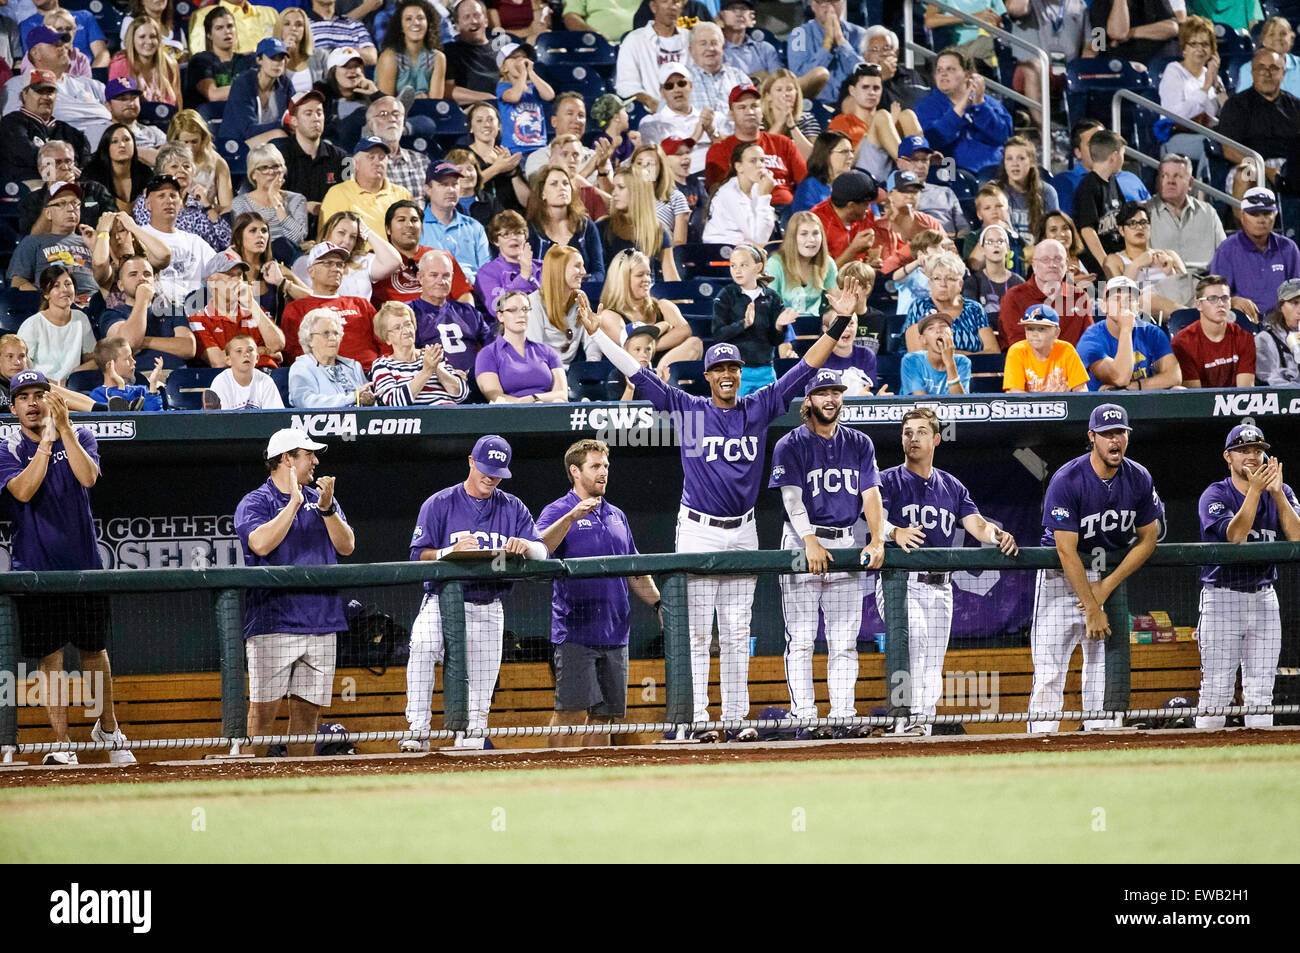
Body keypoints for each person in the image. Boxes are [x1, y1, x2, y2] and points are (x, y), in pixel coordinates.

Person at [578, 282, 862, 741]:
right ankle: (696, 721)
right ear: (708, 376)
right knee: (694, 634)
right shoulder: (687, 408)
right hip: (698, 531)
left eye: (733, 366)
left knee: (735, 632)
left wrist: (844, 322)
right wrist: (598, 335)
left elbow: (808, 365)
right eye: (720, 368)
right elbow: (637, 371)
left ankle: (733, 720)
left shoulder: (760, 405)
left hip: (743, 531)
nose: (728, 373)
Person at [0, 371, 134, 765]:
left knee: (94, 652)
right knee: (51, 658)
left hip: (83, 567)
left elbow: (88, 477)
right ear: (12, 408)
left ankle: (108, 728)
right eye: (22, 397)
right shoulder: (7, 447)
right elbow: (22, 491)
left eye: (39, 394)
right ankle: (63, 744)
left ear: (52, 399)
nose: (31, 403)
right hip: (36, 568)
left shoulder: (83, 436)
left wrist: (64, 429)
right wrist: (44, 442)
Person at [878, 406, 1018, 735]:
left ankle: (921, 726)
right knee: (918, 640)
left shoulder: (952, 486)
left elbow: (977, 524)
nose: (913, 438)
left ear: (936, 439)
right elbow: (874, 520)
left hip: (941, 588)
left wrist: (997, 535)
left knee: (933, 660)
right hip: (901, 584)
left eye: (921, 432)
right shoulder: (887, 480)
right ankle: (905, 718)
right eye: (907, 432)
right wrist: (894, 531)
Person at [402, 434, 548, 750]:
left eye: (497, 471)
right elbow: (417, 556)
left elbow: (543, 553)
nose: (490, 477)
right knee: (423, 647)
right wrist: (448, 551)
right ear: (471, 461)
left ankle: (471, 739)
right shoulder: (440, 503)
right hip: (443, 600)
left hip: (488, 604)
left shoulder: (513, 508)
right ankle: (418, 729)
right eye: (485, 468)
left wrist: (529, 546)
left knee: (481, 689)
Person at [1028, 403, 1162, 733]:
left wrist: (1106, 587)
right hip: (1060, 581)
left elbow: (1149, 539)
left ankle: (1099, 743)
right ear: (1092, 437)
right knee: (1049, 672)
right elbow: (1065, 550)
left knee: (1101, 669)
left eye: (1121, 433)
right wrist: (1091, 604)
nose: (1115, 440)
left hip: (1105, 580)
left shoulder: (1139, 477)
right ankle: (1039, 746)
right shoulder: (1067, 479)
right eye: (1107, 434)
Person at [769, 367, 885, 738]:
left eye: (836, 392)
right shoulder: (790, 443)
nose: (830, 399)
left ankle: (842, 715)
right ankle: (804, 716)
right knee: (801, 639)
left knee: (843, 641)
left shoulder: (860, 443)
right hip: (803, 542)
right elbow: (790, 496)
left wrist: (877, 538)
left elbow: (871, 495)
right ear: (809, 401)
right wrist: (809, 538)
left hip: (844, 541)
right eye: (823, 393)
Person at [235, 428, 354, 756]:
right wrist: (293, 504)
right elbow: (259, 543)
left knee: (308, 714)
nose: (316, 461)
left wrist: (328, 509)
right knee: (262, 714)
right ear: (286, 459)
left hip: (322, 620)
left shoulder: (322, 500)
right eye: (308, 454)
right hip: (274, 622)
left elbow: (347, 546)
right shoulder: (256, 501)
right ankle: (250, 793)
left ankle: (298, 787)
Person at [537, 439, 660, 747]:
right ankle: (555, 781)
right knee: (569, 712)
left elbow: (634, 568)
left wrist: (659, 604)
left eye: (605, 466)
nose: (603, 472)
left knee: (604, 716)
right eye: (595, 466)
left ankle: (596, 776)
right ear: (575, 471)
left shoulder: (617, 515)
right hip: (575, 632)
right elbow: (538, 551)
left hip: (616, 633)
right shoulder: (558, 510)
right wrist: (570, 519)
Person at [1195, 424, 1300, 729]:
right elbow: (1235, 538)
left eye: (1257, 450)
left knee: (1260, 690)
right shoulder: (1215, 494)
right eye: (1243, 450)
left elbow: (1297, 537)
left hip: (1265, 596)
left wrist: (1278, 494)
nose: (1252, 456)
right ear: (1228, 456)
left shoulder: (1281, 491)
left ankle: (1255, 762)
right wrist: (1255, 491)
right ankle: (1202, 767)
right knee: (1216, 689)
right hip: (1222, 597)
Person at [2, 26, 112, 149]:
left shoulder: (91, 84)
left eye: (64, 43)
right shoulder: (20, 85)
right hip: (67, 151)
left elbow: (120, 111)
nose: (64, 47)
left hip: (113, 144)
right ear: (35, 53)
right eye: (56, 44)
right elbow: (15, 130)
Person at [283, 241, 385, 368]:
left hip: (372, 372)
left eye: (339, 264)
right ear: (311, 271)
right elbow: (293, 353)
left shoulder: (361, 304)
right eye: (328, 263)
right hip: (327, 375)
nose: (336, 269)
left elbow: (384, 341)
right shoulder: (297, 309)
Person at [711, 243, 798, 394]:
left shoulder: (772, 297)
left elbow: (776, 341)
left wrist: (778, 326)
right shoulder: (726, 295)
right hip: (736, 371)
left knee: (770, 412)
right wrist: (743, 324)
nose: (737, 270)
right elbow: (718, 335)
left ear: (758, 267)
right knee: (738, 413)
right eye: (733, 266)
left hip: (765, 369)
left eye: (743, 265)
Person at [914, 48, 1013, 174]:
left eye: (950, 69)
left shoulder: (989, 103)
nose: (943, 74)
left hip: (992, 172)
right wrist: (959, 109)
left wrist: (980, 106)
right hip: (950, 172)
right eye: (939, 70)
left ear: (967, 74)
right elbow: (932, 139)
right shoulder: (925, 106)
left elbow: (1003, 136)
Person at [1209, 187, 1300, 324]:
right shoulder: (1227, 250)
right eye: (1254, 214)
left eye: (1266, 213)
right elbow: (1213, 295)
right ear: (1243, 216)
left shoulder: (1288, 248)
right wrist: (1232, 301)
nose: (1261, 219)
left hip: (1283, 324)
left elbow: (1297, 292)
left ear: (1275, 215)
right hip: (1241, 324)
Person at [704, 84, 806, 207]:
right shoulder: (720, 149)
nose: (750, 112)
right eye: (742, 107)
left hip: (785, 209)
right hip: (743, 210)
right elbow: (716, 192)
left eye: (754, 106)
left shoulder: (783, 143)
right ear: (731, 115)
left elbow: (806, 182)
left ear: (762, 112)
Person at [1076, 276, 1182, 390]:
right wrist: (1126, 329)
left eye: (1130, 299)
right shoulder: (1092, 338)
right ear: (1103, 306)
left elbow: (1174, 376)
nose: (1124, 304)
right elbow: (1120, 379)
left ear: (1137, 308)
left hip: (1143, 399)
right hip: (1103, 404)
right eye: (1116, 298)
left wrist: (1136, 386)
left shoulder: (1152, 332)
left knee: (1179, 390)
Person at [189, 251, 288, 369]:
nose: (237, 280)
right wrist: (263, 350)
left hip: (269, 377)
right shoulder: (199, 320)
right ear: (212, 282)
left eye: (240, 275)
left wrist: (252, 304)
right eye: (230, 275)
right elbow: (219, 361)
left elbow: (277, 345)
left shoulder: (255, 311)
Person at [97, 253, 196, 370]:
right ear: (121, 285)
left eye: (147, 274)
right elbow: (130, 342)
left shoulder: (172, 310)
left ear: (154, 280)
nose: (142, 278)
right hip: (136, 380)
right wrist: (143, 299)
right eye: (133, 274)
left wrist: (143, 341)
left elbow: (188, 348)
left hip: (175, 378)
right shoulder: (111, 315)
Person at [412, 250, 495, 391]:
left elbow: (493, 348)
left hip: (476, 384)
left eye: (446, 275)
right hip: (434, 388)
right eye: (433, 275)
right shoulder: (409, 313)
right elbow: (406, 354)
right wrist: (447, 374)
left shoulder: (469, 312)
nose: (441, 281)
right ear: (420, 277)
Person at [1218, 48, 1300, 187]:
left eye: (1274, 68)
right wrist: (1266, 170)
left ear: (1283, 73)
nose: (1267, 74)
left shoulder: (1295, 106)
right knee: (1244, 177)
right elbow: (1229, 150)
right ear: (1253, 73)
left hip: (1290, 166)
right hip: (1250, 164)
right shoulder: (1236, 105)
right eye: (1261, 68)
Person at [133, 143, 231, 252]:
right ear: (161, 173)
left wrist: (208, 206)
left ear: (193, 174)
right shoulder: (148, 202)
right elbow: (151, 239)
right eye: (174, 166)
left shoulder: (200, 204)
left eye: (186, 166)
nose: (182, 170)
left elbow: (227, 241)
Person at [1101, 201, 1188, 323]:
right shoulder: (1114, 260)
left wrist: (1171, 273)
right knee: (1147, 299)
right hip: (1140, 313)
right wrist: (1136, 265)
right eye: (1132, 223)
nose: (1139, 227)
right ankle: (1194, 318)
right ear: (1121, 230)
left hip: (1176, 302)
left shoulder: (1168, 255)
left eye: (1143, 222)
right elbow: (1120, 299)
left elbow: (1188, 290)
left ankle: (1195, 317)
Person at [1158, 15, 1228, 165]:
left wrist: (1216, 85)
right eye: (1194, 44)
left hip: (1210, 134)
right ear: (1184, 49)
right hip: (1178, 136)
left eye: (1205, 44)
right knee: (1213, 145)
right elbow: (1176, 115)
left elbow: (1230, 115)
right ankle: (1205, 186)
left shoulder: (1211, 75)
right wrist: (1206, 87)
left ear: (1212, 50)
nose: (1200, 49)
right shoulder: (1173, 71)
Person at [832, 64, 922, 181]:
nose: (871, 93)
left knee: (907, 115)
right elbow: (840, 163)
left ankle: (922, 162)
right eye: (865, 87)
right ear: (853, 91)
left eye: (876, 88)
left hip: (889, 168)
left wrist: (891, 126)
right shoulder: (841, 122)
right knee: (882, 116)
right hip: (861, 174)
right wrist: (870, 134)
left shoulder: (885, 120)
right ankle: (913, 166)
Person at [8, 182, 96, 300]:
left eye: (75, 203)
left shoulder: (90, 240)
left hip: (94, 304)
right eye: (62, 204)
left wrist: (97, 246)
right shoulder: (32, 242)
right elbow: (18, 282)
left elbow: (109, 278)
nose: (71, 209)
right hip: (53, 305)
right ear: (48, 213)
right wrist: (48, 300)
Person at [999, 238, 1094, 348]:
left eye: (1058, 259)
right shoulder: (1014, 297)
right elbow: (1019, 346)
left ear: (1066, 264)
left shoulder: (1079, 296)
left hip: (1072, 363)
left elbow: (1089, 342)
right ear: (1034, 265)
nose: (1052, 264)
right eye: (1045, 259)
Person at [477, 288, 568, 402]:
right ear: (501, 316)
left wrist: (533, 398)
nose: (521, 315)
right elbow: (496, 396)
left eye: (525, 309)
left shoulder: (547, 351)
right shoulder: (488, 354)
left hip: (547, 410)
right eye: (513, 310)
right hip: (510, 414)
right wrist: (522, 405)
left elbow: (562, 395)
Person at [1005, 0, 1088, 123]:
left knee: (1093, 69)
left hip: (1067, 68)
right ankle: (1044, 131)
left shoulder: (1080, 4)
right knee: (1034, 67)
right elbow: (1015, 9)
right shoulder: (1029, 3)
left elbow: (1094, 39)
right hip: (1029, 68)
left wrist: (1090, 54)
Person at [1148, 153, 1226, 283]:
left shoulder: (1207, 212)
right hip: (1163, 282)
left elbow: (1225, 255)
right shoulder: (1146, 212)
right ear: (1158, 181)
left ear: (1190, 183)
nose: (1170, 181)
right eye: (1164, 176)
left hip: (1205, 282)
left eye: (1177, 176)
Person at [1, 70, 90, 181]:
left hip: (70, 191)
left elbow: (87, 163)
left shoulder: (70, 131)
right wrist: (62, 167)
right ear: (24, 95)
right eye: (40, 91)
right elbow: (23, 152)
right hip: (26, 188)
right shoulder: (12, 122)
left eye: (50, 92)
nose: (46, 97)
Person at [371, 300, 467, 404]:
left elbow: (461, 394)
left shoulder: (432, 355)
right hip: (416, 418)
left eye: (408, 324)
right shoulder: (382, 365)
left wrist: (437, 368)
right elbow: (394, 402)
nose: (406, 331)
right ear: (387, 338)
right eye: (397, 328)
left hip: (448, 414)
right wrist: (427, 371)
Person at [319, 135, 414, 239]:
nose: (378, 163)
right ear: (355, 164)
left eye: (382, 158)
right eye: (371, 157)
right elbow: (327, 239)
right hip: (356, 254)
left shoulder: (401, 194)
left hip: (397, 254)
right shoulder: (337, 194)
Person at [525, 164, 606, 285]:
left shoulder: (586, 226)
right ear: (543, 194)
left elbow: (599, 274)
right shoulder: (532, 229)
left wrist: (572, 282)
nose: (561, 188)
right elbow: (529, 276)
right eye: (554, 184)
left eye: (565, 183)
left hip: (583, 295)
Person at [903, 250, 997, 353]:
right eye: (937, 278)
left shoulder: (974, 308)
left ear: (960, 285)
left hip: (976, 369)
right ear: (930, 283)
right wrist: (969, 356)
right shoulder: (919, 307)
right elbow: (919, 355)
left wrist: (947, 354)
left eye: (950, 279)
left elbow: (993, 352)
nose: (943, 284)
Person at [1172, 274, 1257, 387]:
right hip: (1202, 403)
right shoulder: (1182, 343)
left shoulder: (1244, 338)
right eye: (1212, 299)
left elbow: (1246, 393)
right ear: (1198, 304)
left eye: (1225, 298)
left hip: (1235, 403)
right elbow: (1194, 396)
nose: (1221, 304)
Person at [277, 89, 346, 228]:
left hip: (330, 232)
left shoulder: (341, 158)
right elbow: (269, 199)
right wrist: (304, 207)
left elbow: (350, 197)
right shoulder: (279, 156)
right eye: (308, 113)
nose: (316, 118)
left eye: (319, 113)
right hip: (288, 233)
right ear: (294, 121)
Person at [1055, 119, 1151, 219]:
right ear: (1078, 152)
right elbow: (1066, 225)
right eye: (1093, 143)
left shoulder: (1131, 179)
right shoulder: (1064, 182)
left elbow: (1151, 215)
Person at [524, 243, 598, 367]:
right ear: (559, 269)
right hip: (544, 373)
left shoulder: (580, 298)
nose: (584, 272)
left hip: (573, 375)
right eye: (577, 266)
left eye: (583, 266)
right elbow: (536, 355)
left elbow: (591, 339)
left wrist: (592, 362)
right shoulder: (533, 303)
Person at [231, 144, 309, 262]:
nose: (271, 172)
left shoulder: (297, 200)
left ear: (283, 170)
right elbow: (247, 243)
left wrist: (276, 202)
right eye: (264, 168)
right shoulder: (241, 203)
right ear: (253, 174)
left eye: (276, 166)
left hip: (291, 263)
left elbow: (297, 239)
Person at [18, 265, 95, 382]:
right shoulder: (32, 324)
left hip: (71, 388)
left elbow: (92, 360)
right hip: (39, 387)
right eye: (56, 286)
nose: (64, 290)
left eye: (68, 284)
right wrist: (48, 383)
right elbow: (21, 365)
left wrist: (72, 375)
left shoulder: (81, 318)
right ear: (46, 294)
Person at [639, 63, 716, 176]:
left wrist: (712, 131)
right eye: (669, 86)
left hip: (711, 180)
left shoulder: (710, 117)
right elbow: (649, 172)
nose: (677, 90)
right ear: (662, 92)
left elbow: (728, 151)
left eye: (681, 84)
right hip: (674, 185)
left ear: (690, 85)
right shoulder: (651, 122)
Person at [289, 307, 377, 406]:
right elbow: (306, 403)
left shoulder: (354, 367)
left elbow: (370, 406)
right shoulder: (302, 367)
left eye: (336, 333)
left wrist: (369, 401)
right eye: (326, 333)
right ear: (310, 340)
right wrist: (352, 397)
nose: (333, 338)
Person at [1072, 129, 1130, 276]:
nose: (1124, 159)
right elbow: (1087, 230)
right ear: (1114, 156)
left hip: (1118, 259)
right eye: (1123, 154)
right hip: (1098, 267)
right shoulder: (1088, 186)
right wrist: (1107, 266)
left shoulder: (1112, 181)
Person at [421, 159, 491, 280]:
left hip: (472, 293)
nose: (451, 190)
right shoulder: (416, 227)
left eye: (455, 184)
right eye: (443, 184)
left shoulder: (474, 227)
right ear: (428, 189)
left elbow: (486, 272)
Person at [787, 0, 866, 106]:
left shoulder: (860, 34)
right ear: (813, 5)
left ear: (843, 3)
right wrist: (827, 44)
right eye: (822, 1)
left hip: (853, 105)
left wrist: (841, 41)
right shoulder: (799, 35)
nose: (829, 6)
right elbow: (799, 79)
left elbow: (866, 75)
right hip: (815, 106)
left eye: (834, 1)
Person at [767, 211, 839, 326]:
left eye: (816, 233)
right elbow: (769, 308)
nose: (811, 239)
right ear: (793, 238)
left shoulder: (827, 262)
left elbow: (836, 302)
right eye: (804, 234)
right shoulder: (775, 264)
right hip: (782, 327)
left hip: (816, 326)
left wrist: (832, 315)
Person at [615, 0, 690, 109]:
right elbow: (626, 86)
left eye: (676, 2)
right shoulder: (634, 40)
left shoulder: (691, 39)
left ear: (682, 7)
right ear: (653, 7)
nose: (671, 7)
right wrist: (649, 102)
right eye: (665, 1)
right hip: (651, 115)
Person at [873, 168, 949, 275]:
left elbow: (952, 257)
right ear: (890, 194)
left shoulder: (929, 223)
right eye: (903, 191)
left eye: (914, 191)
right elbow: (883, 271)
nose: (909, 196)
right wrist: (913, 247)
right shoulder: (877, 228)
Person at [702, 141, 777, 245]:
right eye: (753, 161)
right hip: (721, 252)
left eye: (762, 160)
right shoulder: (728, 193)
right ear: (738, 167)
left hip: (745, 251)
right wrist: (765, 196)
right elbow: (758, 239)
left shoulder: (756, 188)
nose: (760, 165)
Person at [1002, 303, 1089, 392]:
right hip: (1027, 405)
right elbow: (1015, 394)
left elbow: (1081, 389)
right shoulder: (1017, 351)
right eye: (1030, 329)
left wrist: (1065, 398)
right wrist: (1047, 399)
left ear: (1056, 333)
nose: (1034, 334)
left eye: (1041, 329)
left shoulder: (1066, 350)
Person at [376, 0, 447, 102]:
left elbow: (434, 103)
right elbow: (386, 103)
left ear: (428, 23)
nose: (416, 23)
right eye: (408, 19)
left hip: (427, 115)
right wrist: (416, 100)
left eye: (420, 18)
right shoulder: (389, 56)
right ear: (401, 27)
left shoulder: (438, 58)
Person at [168, 111, 234, 217]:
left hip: (206, 220)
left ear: (203, 139)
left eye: (194, 142)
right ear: (175, 140)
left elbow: (227, 209)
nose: (190, 147)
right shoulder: (166, 161)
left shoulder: (217, 163)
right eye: (185, 142)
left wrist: (207, 204)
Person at [364, 96, 431, 198]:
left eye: (396, 114)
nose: (392, 119)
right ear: (370, 125)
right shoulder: (362, 164)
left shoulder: (421, 161)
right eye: (383, 114)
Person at [994, 135, 1058, 242]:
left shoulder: (1047, 192)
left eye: (1021, 158)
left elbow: (1054, 231)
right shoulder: (995, 191)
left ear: (1032, 162)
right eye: (1009, 158)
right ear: (1004, 163)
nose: (1015, 164)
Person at [80, 122, 152, 215]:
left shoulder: (145, 172)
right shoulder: (92, 173)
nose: (122, 145)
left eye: (126, 140)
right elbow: (86, 205)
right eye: (114, 141)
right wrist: (103, 203)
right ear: (106, 147)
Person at [811, 169, 879, 267]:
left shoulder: (866, 216)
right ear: (851, 205)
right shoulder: (816, 223)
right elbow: (822, 277)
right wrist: (853, 250)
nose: (868, 208)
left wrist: (869, 265)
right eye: (866, 203)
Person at [108, 16, 180, 107]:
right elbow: (117, 106)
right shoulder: (120, 63)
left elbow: (177, 105)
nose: (148, 41)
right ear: (132, 40)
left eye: (153, 36)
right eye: (142, 37)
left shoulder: (170, 64)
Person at [185, 7, 251, 105]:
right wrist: (251, 88)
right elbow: (213, 95)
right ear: (209, 35)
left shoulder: (247, 60)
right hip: (210, 117)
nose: (227, 31)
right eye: (219, 28)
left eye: (230, 26)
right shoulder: (200, 61)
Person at [962, 224, 1023, 326]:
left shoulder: (1019, 283)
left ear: (1007, 248)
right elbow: (972, 317)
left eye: (1000, 241)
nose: (996, 245)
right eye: (990, 242)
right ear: (982, 249)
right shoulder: (973, 282)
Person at [1084, 0, 1178, 64]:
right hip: (1123, 68)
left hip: (1156, 62)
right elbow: (1104, 40)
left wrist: (1130, 33)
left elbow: (1173, 28)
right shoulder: (1099, 4)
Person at [445, 0, 502, 104]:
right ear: (456, 26)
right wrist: (487, 98)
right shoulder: (449, 51)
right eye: (466, 17)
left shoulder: (502, 49)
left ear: (486, 21)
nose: (474, 21)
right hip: (469, 112)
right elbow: (446, 90)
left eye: (477, 15)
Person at [900, 311, 971, 395]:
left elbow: (960, 402)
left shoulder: (963, 361)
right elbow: (920, 401)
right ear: (923, 339)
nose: (938, 330)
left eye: (943, 326)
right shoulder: (911, 360)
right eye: (931, 328)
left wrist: (950, 363)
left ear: (951, 333)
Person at [87, 336, 165, 410]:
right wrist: (120, 386)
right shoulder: (98, 395)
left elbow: (157, 420)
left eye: (132, 357)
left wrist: (153, 385)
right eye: (127, 358)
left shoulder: (141, 391)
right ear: (110, 366)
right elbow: (118, 418)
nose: (134, 361)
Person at [211, 334, 286, 409]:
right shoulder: (221, 382)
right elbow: (220, 419)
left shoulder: (266, 381)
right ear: (228, 360)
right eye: (239, 351)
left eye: (250, 350)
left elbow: (275, 418)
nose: (246, 354)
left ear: (257, 358)